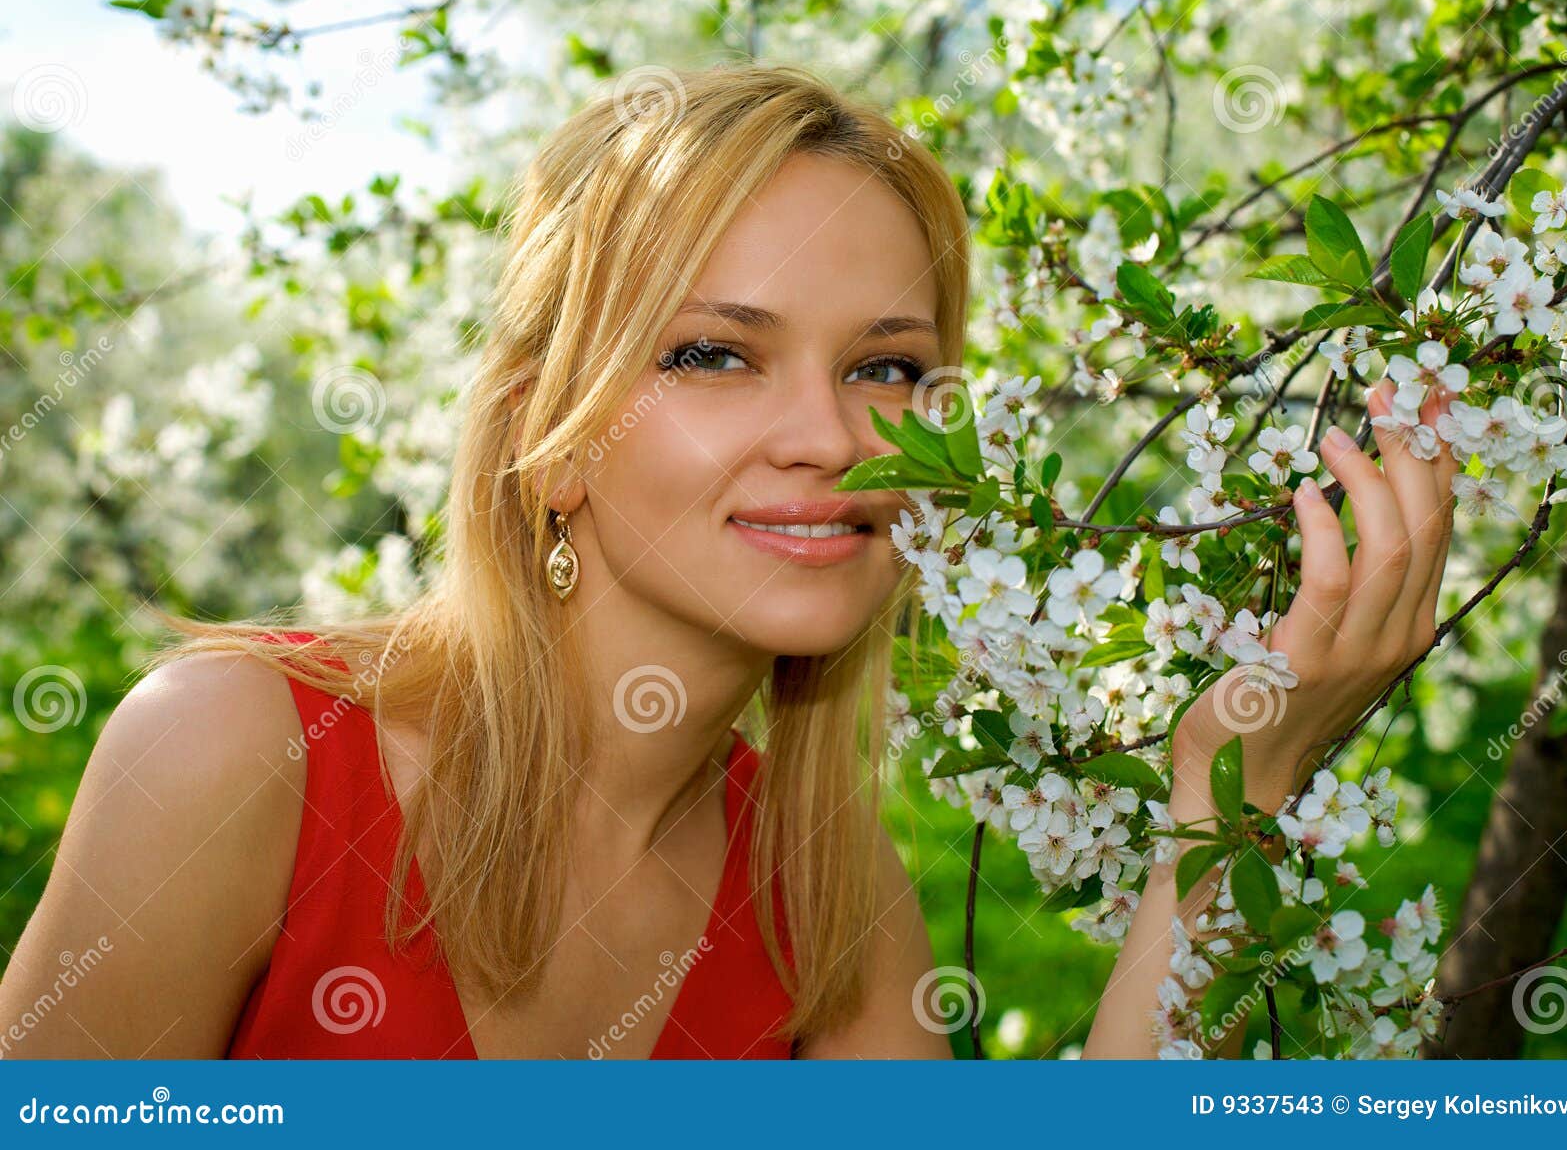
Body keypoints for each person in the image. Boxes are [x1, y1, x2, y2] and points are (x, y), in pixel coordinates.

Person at [0, 62, 1456, 1059]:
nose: (830, 433)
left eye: (889, 367)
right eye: (713, 353)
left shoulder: (836, 905)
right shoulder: (234, 756)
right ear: (549, 434)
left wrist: (1233, 778)